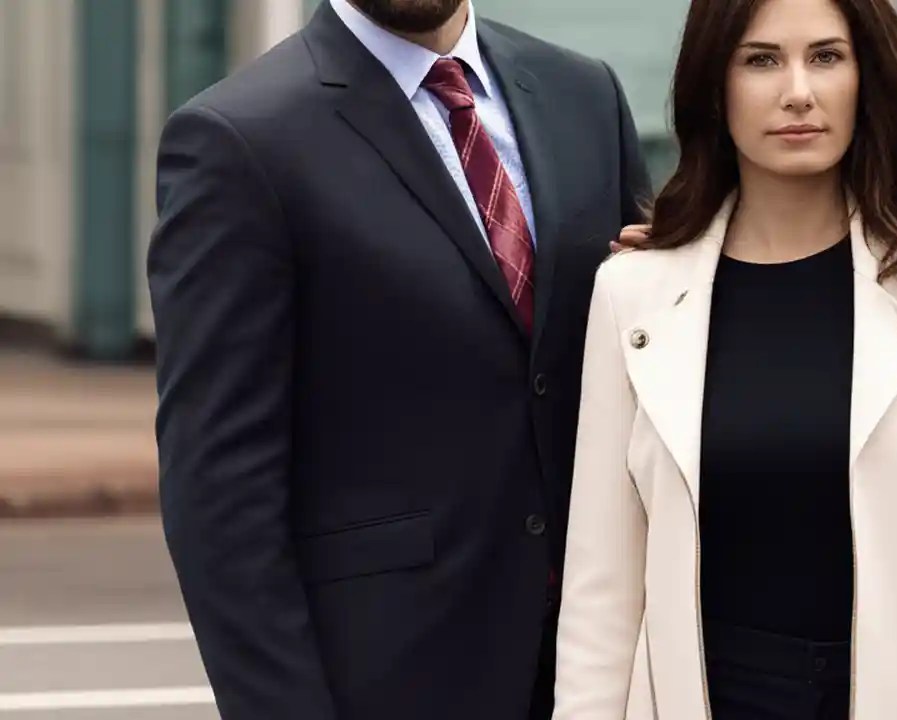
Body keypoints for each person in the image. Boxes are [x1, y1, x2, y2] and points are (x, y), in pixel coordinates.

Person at [553, 0, 897, 717]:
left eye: (826, 56)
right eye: (762, 60)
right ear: (715, 84)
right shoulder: (633, 297)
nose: (798, 90)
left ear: (867, 75)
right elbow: (601, 593)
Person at [147, 0, 649, 716]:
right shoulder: (239, 139)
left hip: (600, 670)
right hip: (393, 676)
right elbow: (219, 494)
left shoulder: (584, 94)